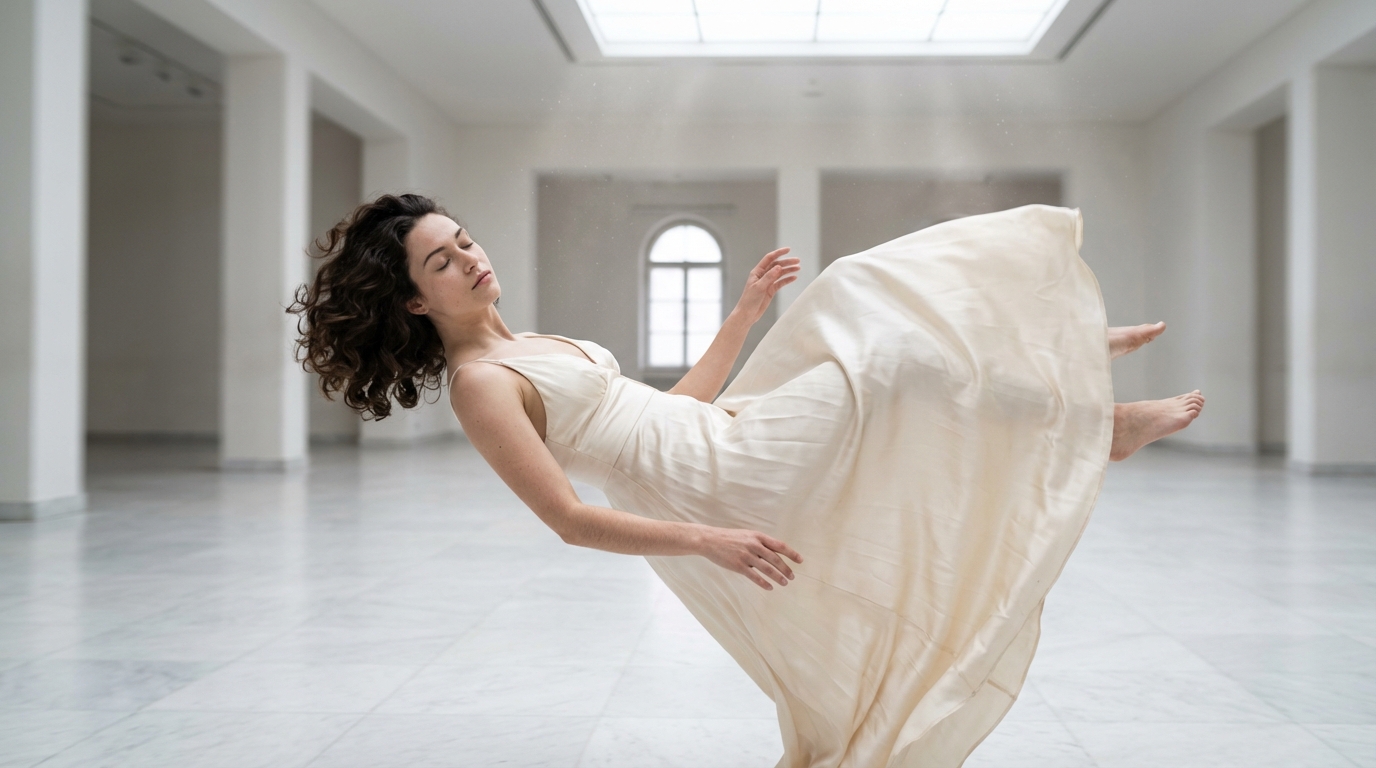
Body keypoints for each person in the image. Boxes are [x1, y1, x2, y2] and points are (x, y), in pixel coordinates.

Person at [291, 193, 1203, 768]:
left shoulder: (533, 344)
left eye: (465, 239)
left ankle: (1078, 380)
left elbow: (670, 400)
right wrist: (708, 539)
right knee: (878, 341)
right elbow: (569, 516)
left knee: (885, 348)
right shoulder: (483, 386)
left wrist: (744, 313)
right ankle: (1090, 405)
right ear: (415, 300)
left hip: (709, 432)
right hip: (707, 481)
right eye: (441, 262)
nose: (470, 258)